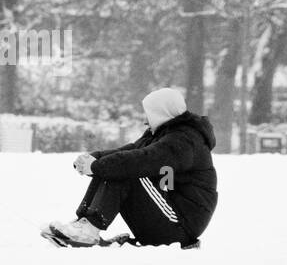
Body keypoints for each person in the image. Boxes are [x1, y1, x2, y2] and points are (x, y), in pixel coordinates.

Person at [47, 87, 218, 248]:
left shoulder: (185, 140)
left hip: (179, 226)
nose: (145, 120)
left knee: (124, 169)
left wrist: (98, 166)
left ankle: (89, 229)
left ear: (161, 113)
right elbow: (131, 151)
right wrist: (95, 158)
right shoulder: (161, 134)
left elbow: (141, 160)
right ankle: (84, 224)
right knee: (114, 166)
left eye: (149, 114)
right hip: (166, 219)